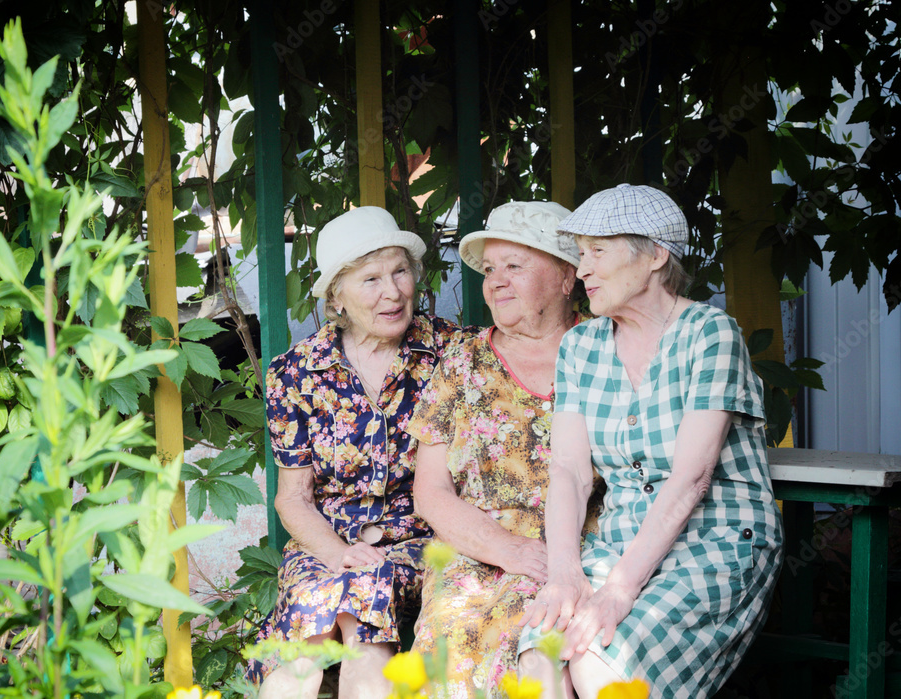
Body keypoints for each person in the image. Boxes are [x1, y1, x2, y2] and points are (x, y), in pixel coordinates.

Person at [519, 184, 783, 699]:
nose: (583, 269)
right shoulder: (580, 345)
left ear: (656, 255)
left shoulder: (709, 333)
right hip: (620, 540)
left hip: (718, 539)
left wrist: (618, 592)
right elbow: (570, 471)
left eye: (598, 251)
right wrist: (566, 573)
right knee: (541, 660)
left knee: (601, 667)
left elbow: (691, 479)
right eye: (580, 253)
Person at [250, 207, 463, 699]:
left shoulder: (451, 352)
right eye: (371, 279)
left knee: (361, 609)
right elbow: (293, 499)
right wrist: (339, 553)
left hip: (417, 541)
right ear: (336, 297)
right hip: (326, 544)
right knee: (306, 640)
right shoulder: (296, 372)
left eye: (400, 271)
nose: (393, 292)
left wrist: (362, 562)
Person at [407, 201, 594, 697]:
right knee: (444, 651)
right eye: (491, 269)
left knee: (541, 652)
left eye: (515, 266)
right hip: (478, 550)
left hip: (579, 548)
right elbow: (430, 491)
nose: (495, 282)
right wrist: (505, 549)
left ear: (566, 276)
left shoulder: (605, 352)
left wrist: (555, 559)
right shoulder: (462, 364)